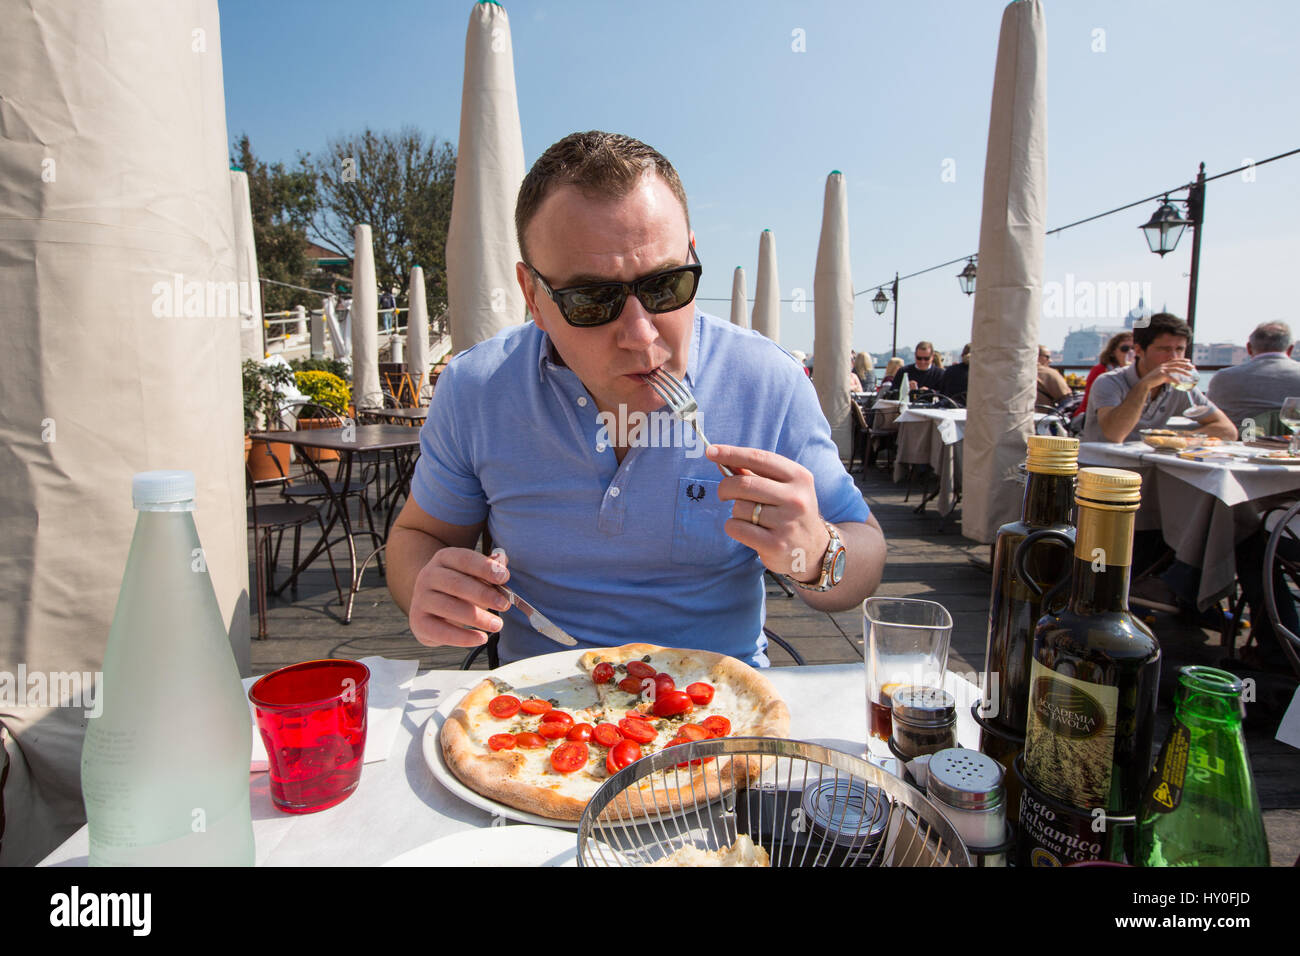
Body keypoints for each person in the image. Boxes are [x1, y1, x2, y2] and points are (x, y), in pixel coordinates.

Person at [386, 131, 887, 666]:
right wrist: (426, 581)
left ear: (692, 253)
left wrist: (816, 552)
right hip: (535, 720)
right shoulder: (477, 390)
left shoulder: (767, 381)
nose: (641, 334)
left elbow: (865, 554)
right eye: (591, 299)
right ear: (532, 294)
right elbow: (420, 534)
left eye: (665, 285)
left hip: (718, 708)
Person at [1082, 313, 1235, 443]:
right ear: (1139, 350)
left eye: (1180, 349)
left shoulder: (1179, 385)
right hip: (1106, 470)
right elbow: (1115, 435)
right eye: (1164, 349)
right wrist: (1145, 385)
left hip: (1155, 468)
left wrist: (1177, 439)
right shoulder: (1109, 382)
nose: (1174, 357)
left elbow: (1228, 431)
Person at [1206, 321, 1300, 438]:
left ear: (1249, 348)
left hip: (1237, 447)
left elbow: (1209, 416)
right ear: (1290, 349)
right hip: (1291, 451)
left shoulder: (1223, 377)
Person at [1077, 331, 1133, 417]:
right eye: (1125, 349)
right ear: (1113, 352)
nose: (1130, 352)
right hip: (1094, 416)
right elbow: (1092, 400)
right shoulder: (1100, 370)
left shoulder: (1137, 372)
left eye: (1134, 348)